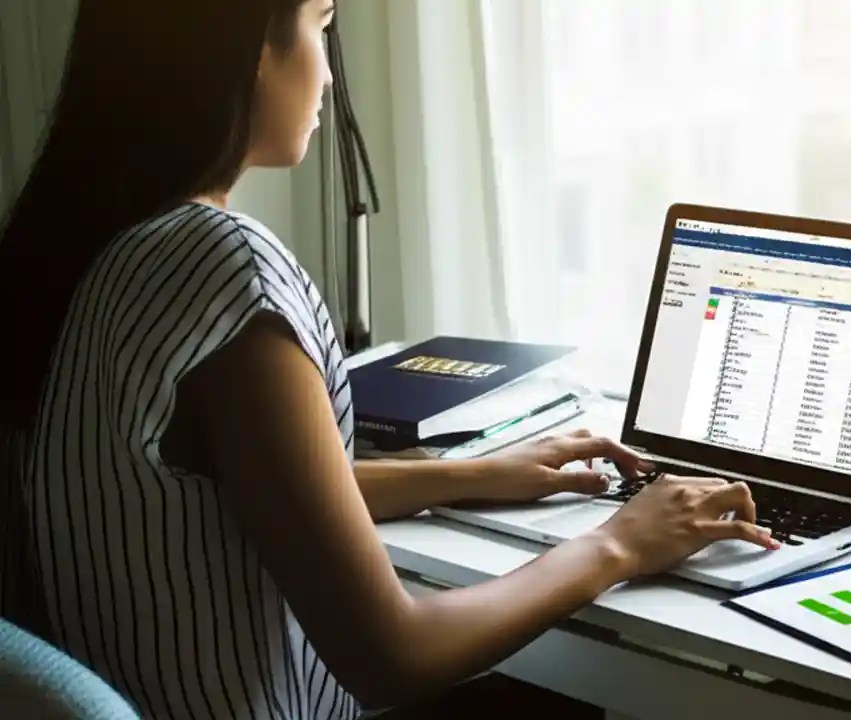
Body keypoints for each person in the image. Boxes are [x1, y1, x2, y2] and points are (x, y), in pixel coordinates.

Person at [0, 1, 780, 718]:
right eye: (321, 22)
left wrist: (471, 476)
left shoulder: (91, 249)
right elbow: (389, 656)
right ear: (246, 51)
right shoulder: (220, 266)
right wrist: (618, 544)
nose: (331, 70)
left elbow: (238, 493)